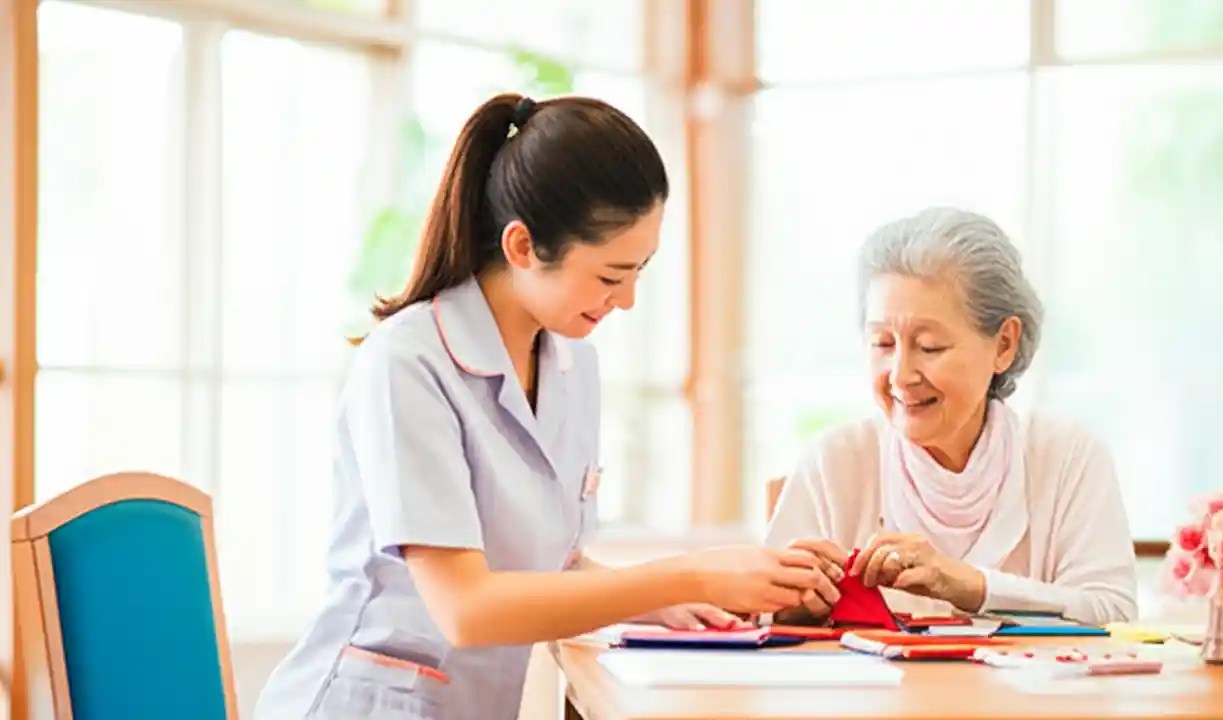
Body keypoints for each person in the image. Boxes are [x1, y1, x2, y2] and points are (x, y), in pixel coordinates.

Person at [255, 94, 838, 720]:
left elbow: (557, 566)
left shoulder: (571, 362)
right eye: (611, 276)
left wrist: (666, 601)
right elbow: (465, 608)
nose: (628, 300)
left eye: (640, 270)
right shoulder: (407, 362)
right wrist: (687, 576)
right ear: (523, 245)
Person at [765, 207, 1137, 628]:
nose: (901, 376)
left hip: (1022, 698)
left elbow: (1114, 612)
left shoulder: (1067, 456)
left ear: (1003, 345)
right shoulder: (837, 461)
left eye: (930, 346)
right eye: (882, 343)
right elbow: (764, 616)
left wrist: (967, 584)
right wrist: (794, 608)